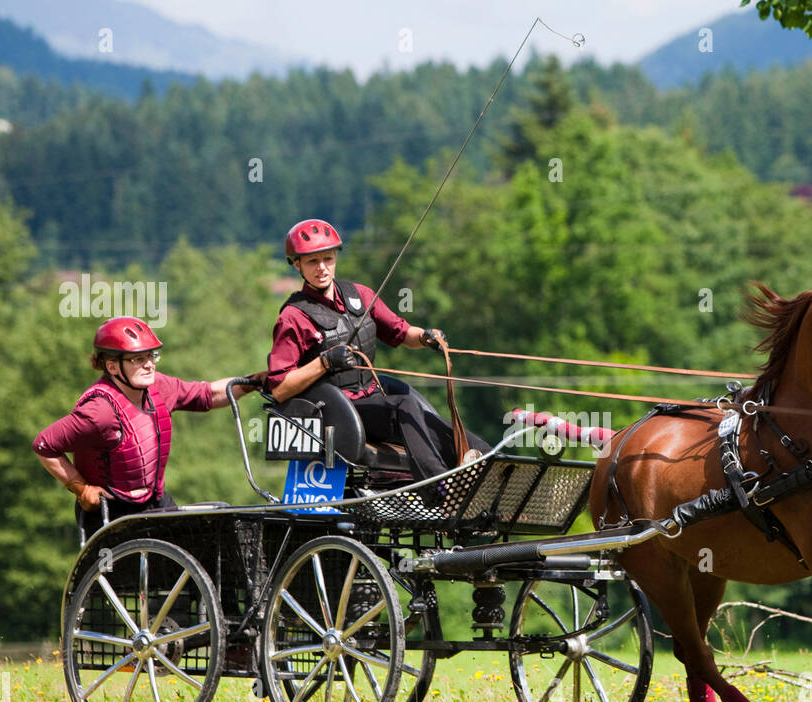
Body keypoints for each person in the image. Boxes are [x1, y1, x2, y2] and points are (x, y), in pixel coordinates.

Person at [265, 218, 489, 483]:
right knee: (403, 407)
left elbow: (402, 332)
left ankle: (487, 464)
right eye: (313, 261)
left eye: (328, 258)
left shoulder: (359, 294)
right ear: (297, 264)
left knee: (434, 424)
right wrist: (325, 363)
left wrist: (427, 337)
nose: (322, 268)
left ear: (336, 257)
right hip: (337, 411)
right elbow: (279, 388)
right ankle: (439, 485)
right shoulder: (293, 317)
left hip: (374, 399)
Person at [33, 316, 260, 536]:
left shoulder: (159, 387)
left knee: (196, 550)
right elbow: (44, 445)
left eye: (151, 356)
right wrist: (81, 488)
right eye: (137, 359)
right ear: (112, 367)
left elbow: (209, 394)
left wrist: (256, 382)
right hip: (111, 511)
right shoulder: (99, 411)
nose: (149, 365)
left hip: (154, 500)